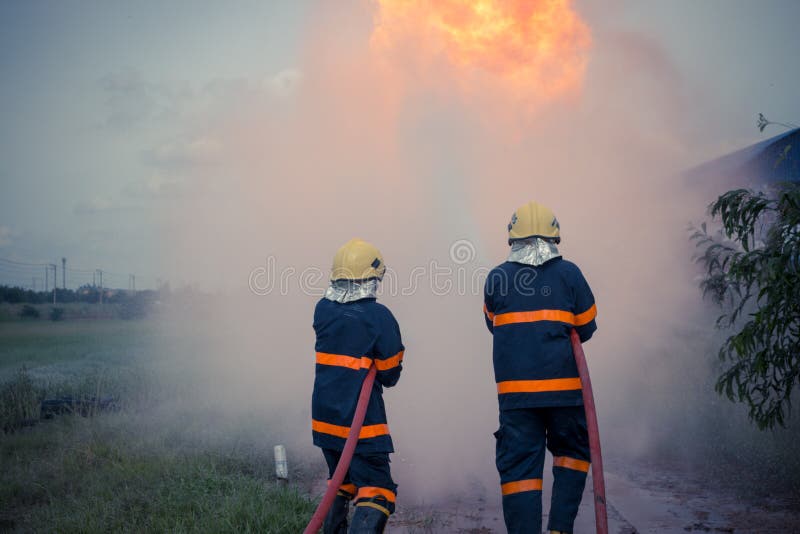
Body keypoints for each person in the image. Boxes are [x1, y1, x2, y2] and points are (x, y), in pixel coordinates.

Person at [483, 201, 598, 534]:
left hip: (517, 400)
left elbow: (493, 324)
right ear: (554, 236)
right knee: (573, 453)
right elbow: (587, 327)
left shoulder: (496, 279)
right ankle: (560, 529)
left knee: (519, 469)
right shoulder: (570, 274)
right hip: (565, 396)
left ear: (512, 239)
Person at [312, 238, 405, 533]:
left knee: (340, 482)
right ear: (371, 279)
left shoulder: (322, 310)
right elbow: (390, 374)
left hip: (326, 422)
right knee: (376, 491)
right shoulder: (378, 317)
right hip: (362, 426)